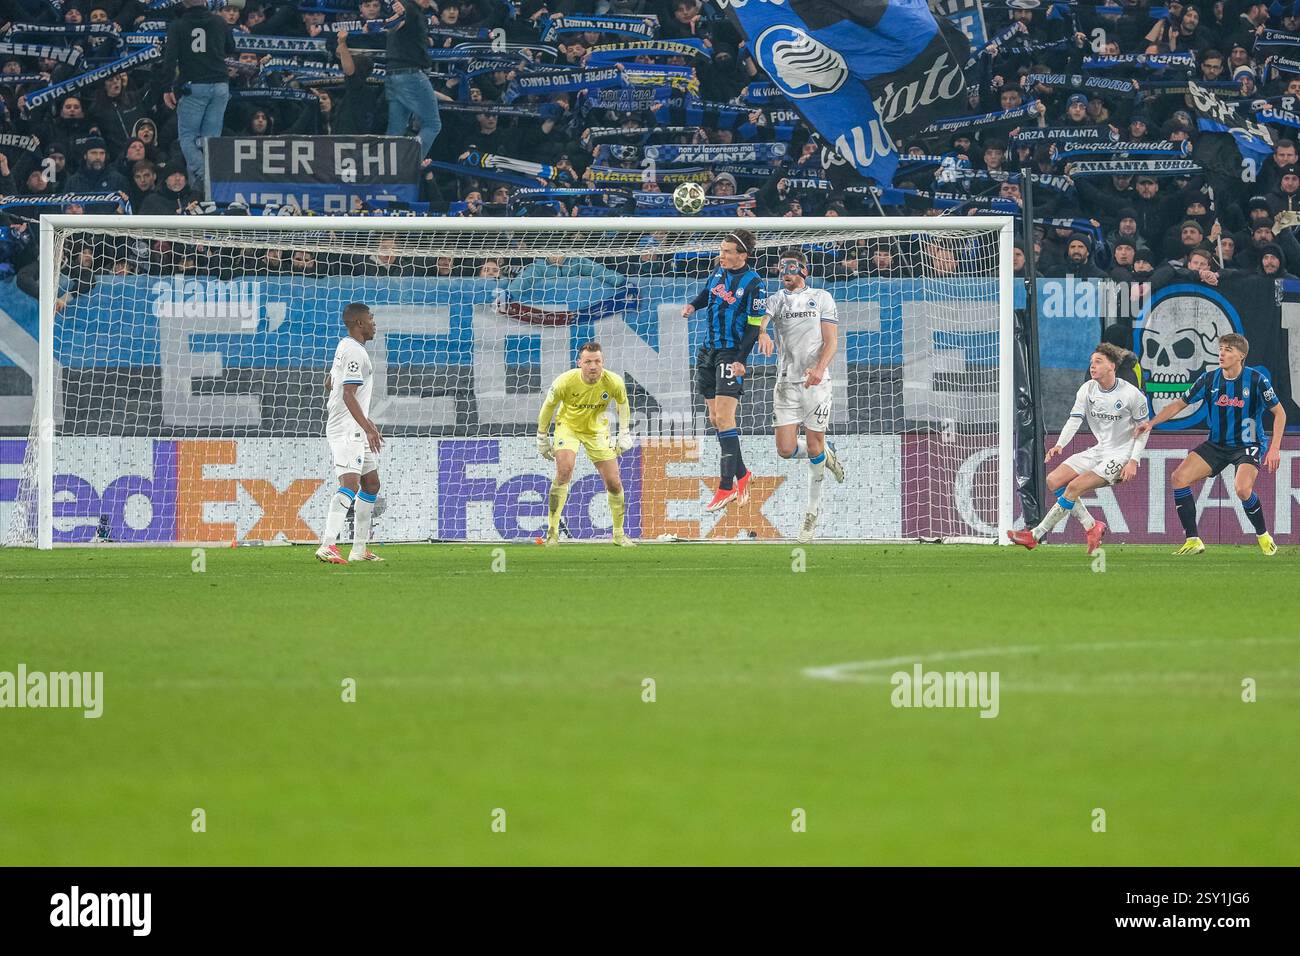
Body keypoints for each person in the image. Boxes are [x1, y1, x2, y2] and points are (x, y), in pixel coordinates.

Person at [1135, 333, 1285, 556]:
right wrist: (1152, 423)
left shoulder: (1256, 380)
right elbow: (1178, 404)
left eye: (1228, 349)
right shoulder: (1208, 379)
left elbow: (1279, 413)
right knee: (1178, 478)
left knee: (1242, 489)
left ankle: (1263, 535)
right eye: (1221, 348)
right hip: (1216, 445)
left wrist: (1274, 448)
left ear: (1241, 356)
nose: (1222, 353)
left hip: (1247, 444)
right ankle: (1193, 539)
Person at [1008, 344, 1151, 553]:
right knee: (1053, 480)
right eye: (1091, 362)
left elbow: (1144, 430)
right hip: (1101, 449)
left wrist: (1133, 461)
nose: (1092, 367)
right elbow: (1075, 420)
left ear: (1112, 366)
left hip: (1122, 454)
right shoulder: (1087, 389)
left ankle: (1034, 535)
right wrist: (1060, 444)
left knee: (1074, 487)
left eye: (1098, 362)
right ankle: (1092, 526)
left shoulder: (1132, 395)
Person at [757, 249, 846, 542]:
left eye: (791, 267)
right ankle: (824, 452)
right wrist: (762, 333)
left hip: (815, 383)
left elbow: (831, 341)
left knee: (812, 442)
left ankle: (811, 513)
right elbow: (762, 321)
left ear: (804, 270)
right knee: (784, 449)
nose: (786, 273)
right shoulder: (776, 299)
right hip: (785, 383)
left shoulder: (822, 298)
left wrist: (820, 368)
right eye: (782, 268)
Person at [682, 229, 765, 512]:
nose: (723, 255)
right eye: (722, 249)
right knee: (715, 420)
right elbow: (708, 293)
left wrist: (742, 358)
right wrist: (694, 305)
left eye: (728, 251)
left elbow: (754, 326)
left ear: (743, 255)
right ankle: (743, 474)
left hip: (731, 353)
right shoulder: (718, 271)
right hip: (708, 350)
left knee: (725, 418)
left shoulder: (755, 284)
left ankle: (726, 486)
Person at [535, 341, 636, 547]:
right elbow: (548, 407)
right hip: (568, 427)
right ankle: (552, 533)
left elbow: (623, 404)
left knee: (614, 483)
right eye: (588, 361)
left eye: (597, 361)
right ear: (579, 363)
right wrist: (542, 436)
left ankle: (618, 534)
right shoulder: (565, 381)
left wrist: (624, 432)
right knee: (564, 470)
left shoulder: (613, 381)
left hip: (597, 430)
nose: (593, 366)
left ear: (603, 362)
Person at [317, 302, 384, 564]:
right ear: (359, 323)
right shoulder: (355, 352)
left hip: (354, 426)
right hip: (347, 430)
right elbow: (347, 393)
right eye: (371, 318)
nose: (374, 323)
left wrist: (367, 422)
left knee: (371, 484)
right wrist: (367, 428)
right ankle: (328, 545)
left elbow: (330, 383)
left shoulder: (344, 346)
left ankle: (358, 549)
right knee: (350, 484)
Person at [161, 0, 234, 193]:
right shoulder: (219, 21)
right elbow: (231, 47)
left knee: (187, 137)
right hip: (220, 85)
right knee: (211, 139)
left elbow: (170, 59)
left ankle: (205, 176)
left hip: (195, 86)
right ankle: (207, 188)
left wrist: (166, 87)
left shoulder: (178, 25)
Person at [385, 0, 442, 159]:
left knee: (395, 132)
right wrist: (399, 13)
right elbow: (397, 22)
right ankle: (409, 165)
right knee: (433, 124)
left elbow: (393, 27)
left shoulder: (416, 12)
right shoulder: (408, 8)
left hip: (393, 75)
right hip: (410, 74)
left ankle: (387, 173)